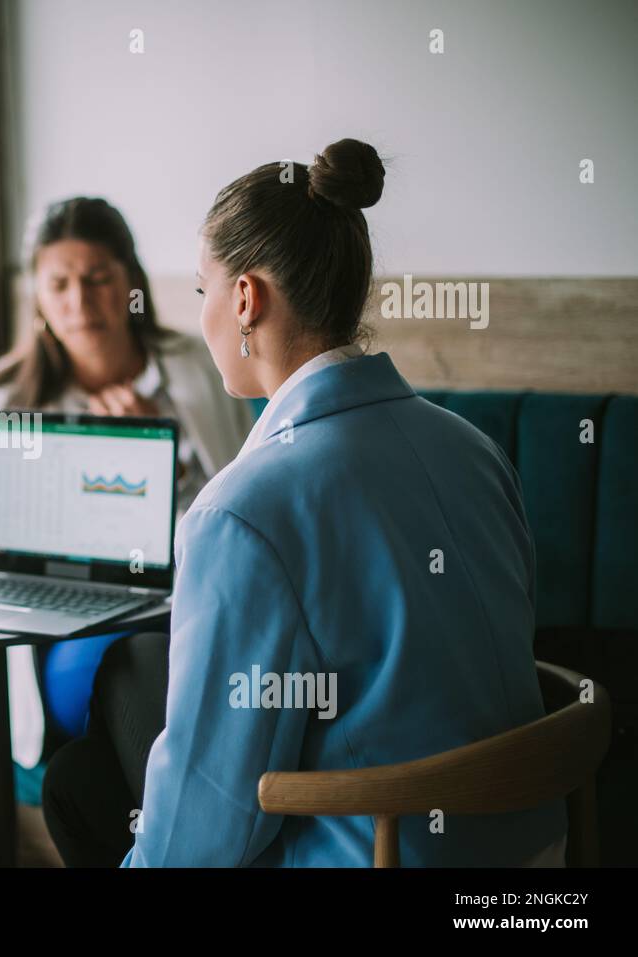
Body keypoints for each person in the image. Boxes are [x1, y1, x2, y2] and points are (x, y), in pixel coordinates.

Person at [42, 140, 569, 867]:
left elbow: (206, 826)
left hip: (379, 850)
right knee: (89, 767)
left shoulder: (241, 513)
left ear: (247, 299)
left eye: (204, 292)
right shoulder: (474, 448)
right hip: (532, 859)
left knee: (82, 780)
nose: (204, 316)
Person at [0, 197, 254, 771]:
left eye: (98, 279)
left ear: (130, 280)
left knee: (178, 664)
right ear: (36, 293)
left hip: (193, 604)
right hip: (69, 622)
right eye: (58, 284)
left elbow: (250, 511)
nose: (78, 302)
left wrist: (165, 469)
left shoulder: (200, 369)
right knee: (137, 667)